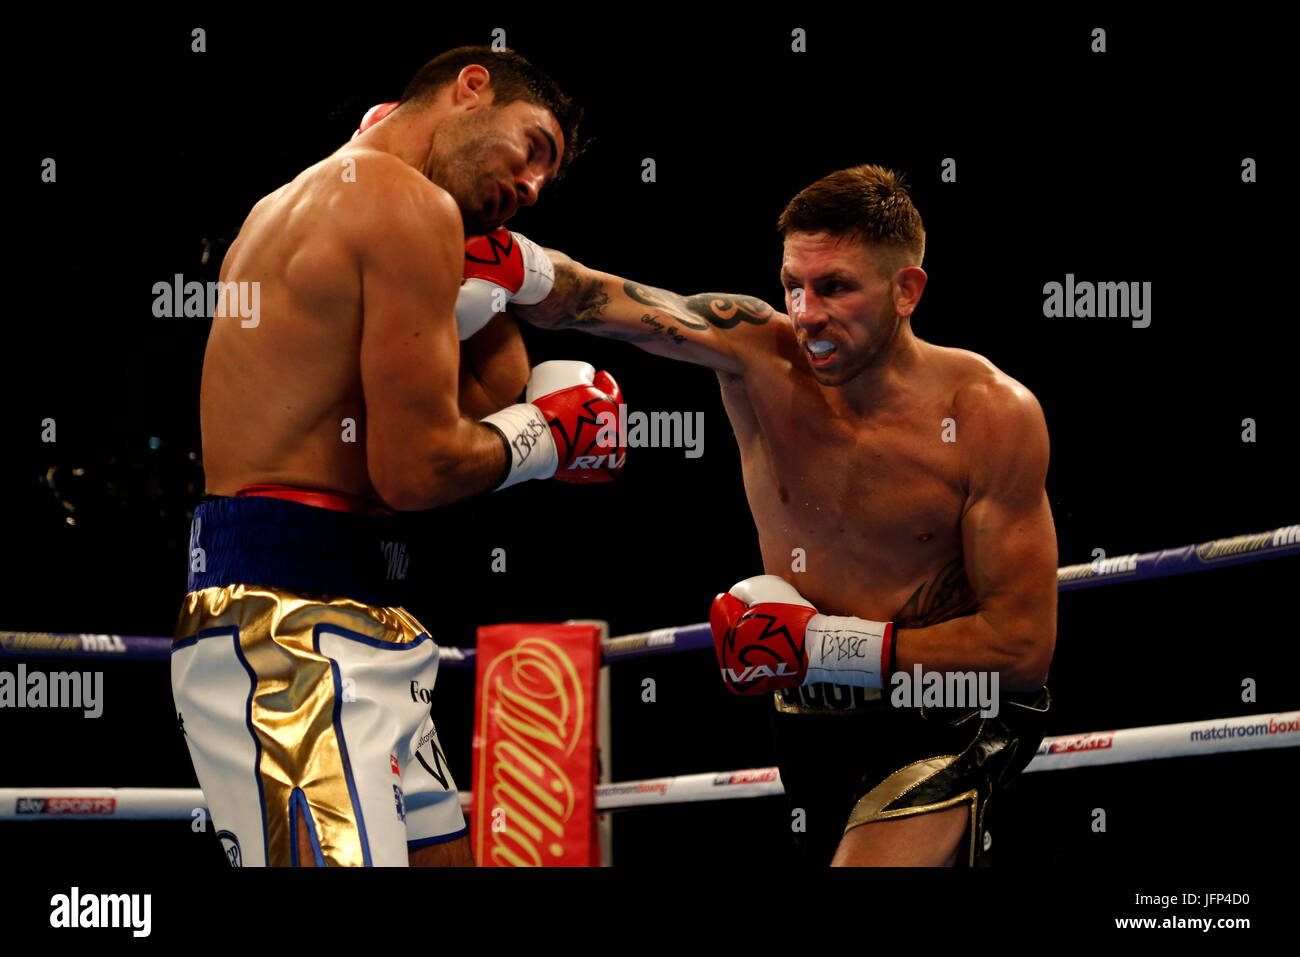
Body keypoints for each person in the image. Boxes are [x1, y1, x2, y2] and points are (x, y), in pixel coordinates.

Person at [512, 164, 1056, 866]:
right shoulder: (757, 354)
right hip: (809, 725)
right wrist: (501, 264)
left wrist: (826, 644)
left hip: (949, 712)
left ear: (906, 290)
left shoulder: (986, 412)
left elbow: (1021, 649)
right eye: (793, 284)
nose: (805, 313)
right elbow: (594, 297)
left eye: (834, 287)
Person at [173, 46, 625, 867]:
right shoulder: (401, 205)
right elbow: (418, 469)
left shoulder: (300, 205)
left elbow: (476, 408)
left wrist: (494, 288)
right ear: (471, 88)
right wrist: (551, 436)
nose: (530, 188)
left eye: (543, 184)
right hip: (291, 628)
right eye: (531, 149)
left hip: (359, 614)